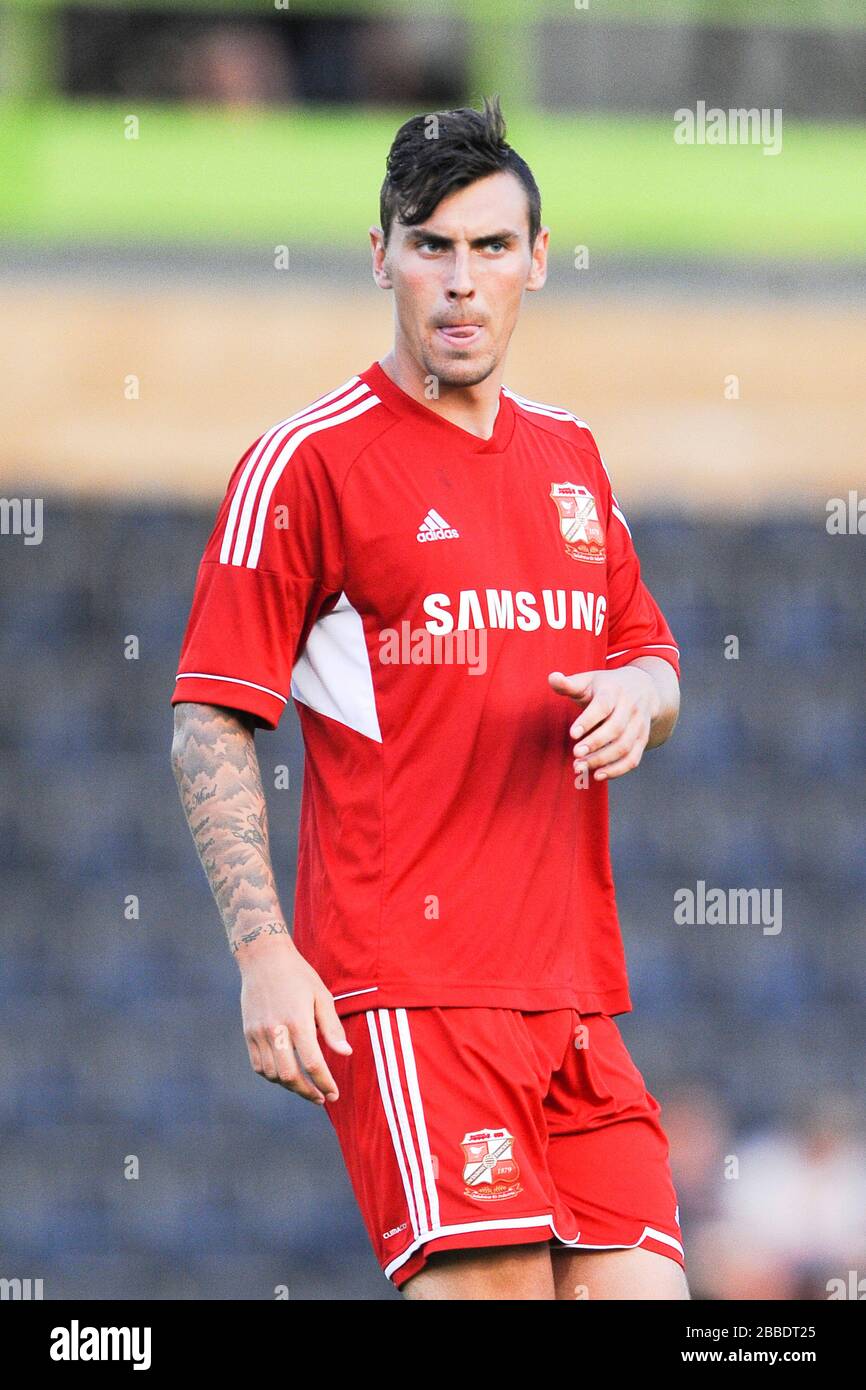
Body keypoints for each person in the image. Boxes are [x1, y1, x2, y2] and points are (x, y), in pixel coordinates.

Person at [170, 96, 687, 1300]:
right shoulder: (308, 460)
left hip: (572, 1003)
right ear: (381, 258)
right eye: (432, 246)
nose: (461, 282)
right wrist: (262, 951)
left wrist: (636, 691)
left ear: (537, 263)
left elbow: (653, 662)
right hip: (414, 991)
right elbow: (208, 716)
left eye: (491, 248)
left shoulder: (571, 456)